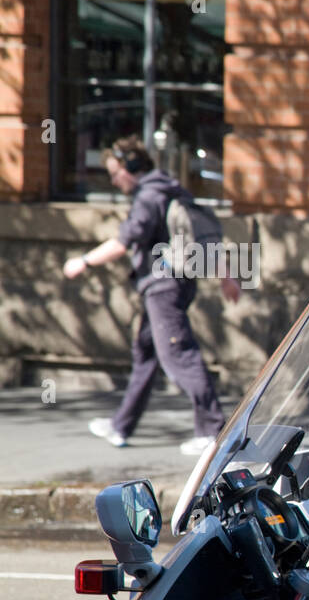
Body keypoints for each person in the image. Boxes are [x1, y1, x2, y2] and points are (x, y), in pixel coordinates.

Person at [63, 135, 240, 455]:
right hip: (177, 283)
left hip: (163, 287)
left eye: (116, 174)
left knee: (179, 355)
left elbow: (124, 241)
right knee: (146, 354)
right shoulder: (173, 189)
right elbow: (205, 235)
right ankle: (121, 425)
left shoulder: (148, 197)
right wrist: (226, 277)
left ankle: (214, 431)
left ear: (131, 167)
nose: (115, 182)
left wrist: (84, 261)